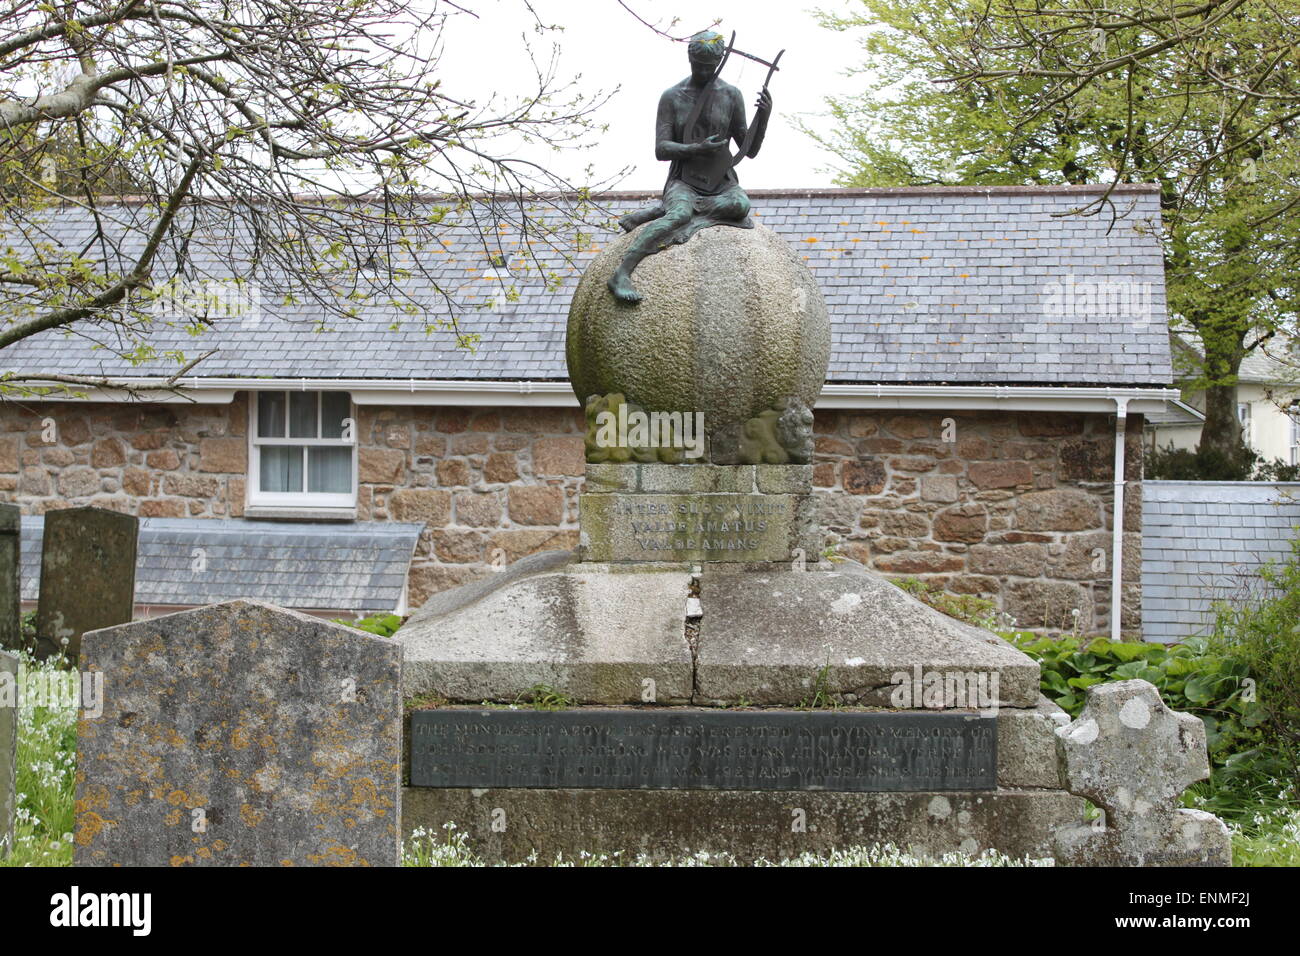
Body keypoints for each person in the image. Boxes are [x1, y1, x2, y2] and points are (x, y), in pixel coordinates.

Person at [607, 30, 773, 304]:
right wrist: (696, 149)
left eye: (710, 67)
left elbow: (748, 151)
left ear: (719, 62)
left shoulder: (731, 95)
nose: (704, 72)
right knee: (679, 216)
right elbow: (662, 149)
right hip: (683, 179)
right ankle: (622, 272)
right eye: (699, 66)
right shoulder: (673, 96)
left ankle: (666, 210)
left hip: (720, 180)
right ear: (690, 60)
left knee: (739, 206)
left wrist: (763, 117)